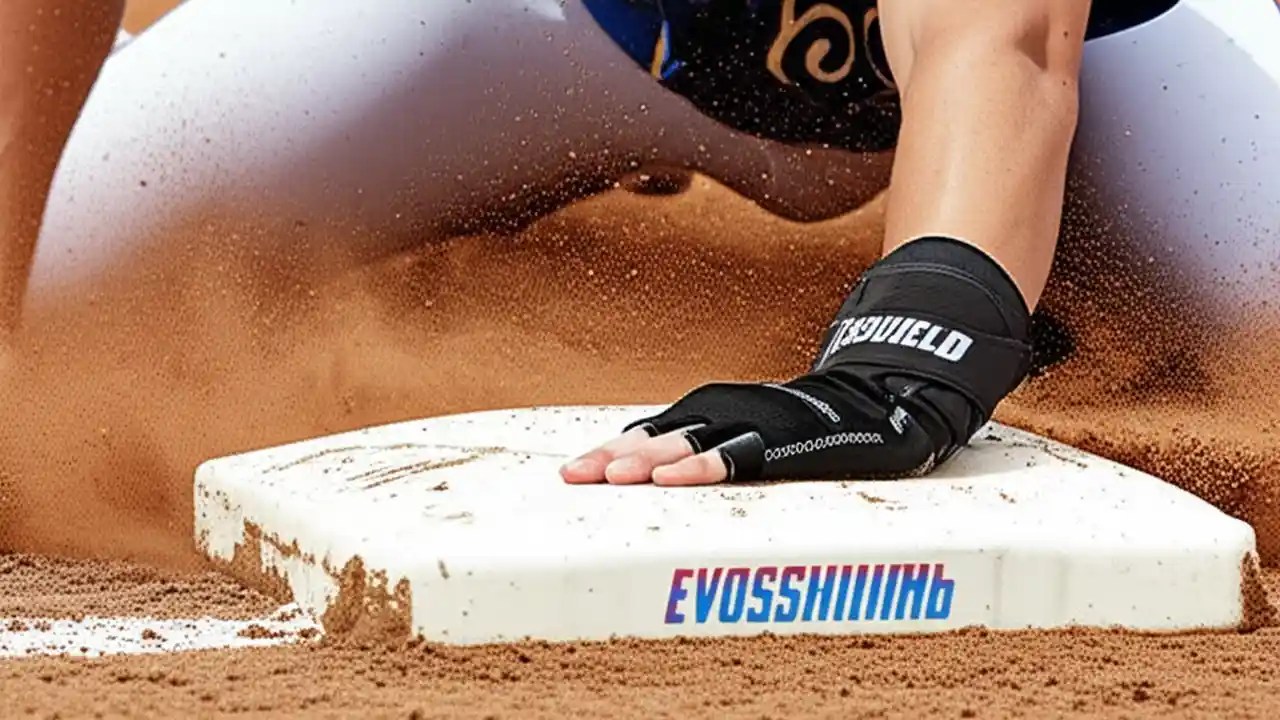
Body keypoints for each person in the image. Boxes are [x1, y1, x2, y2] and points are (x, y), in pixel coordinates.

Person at [6, 1, 1280, 487]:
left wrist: (909, 345)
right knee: (84, 304)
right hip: (570, 35)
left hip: (1115, 71)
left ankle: (1034, 270)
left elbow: (994, 43)